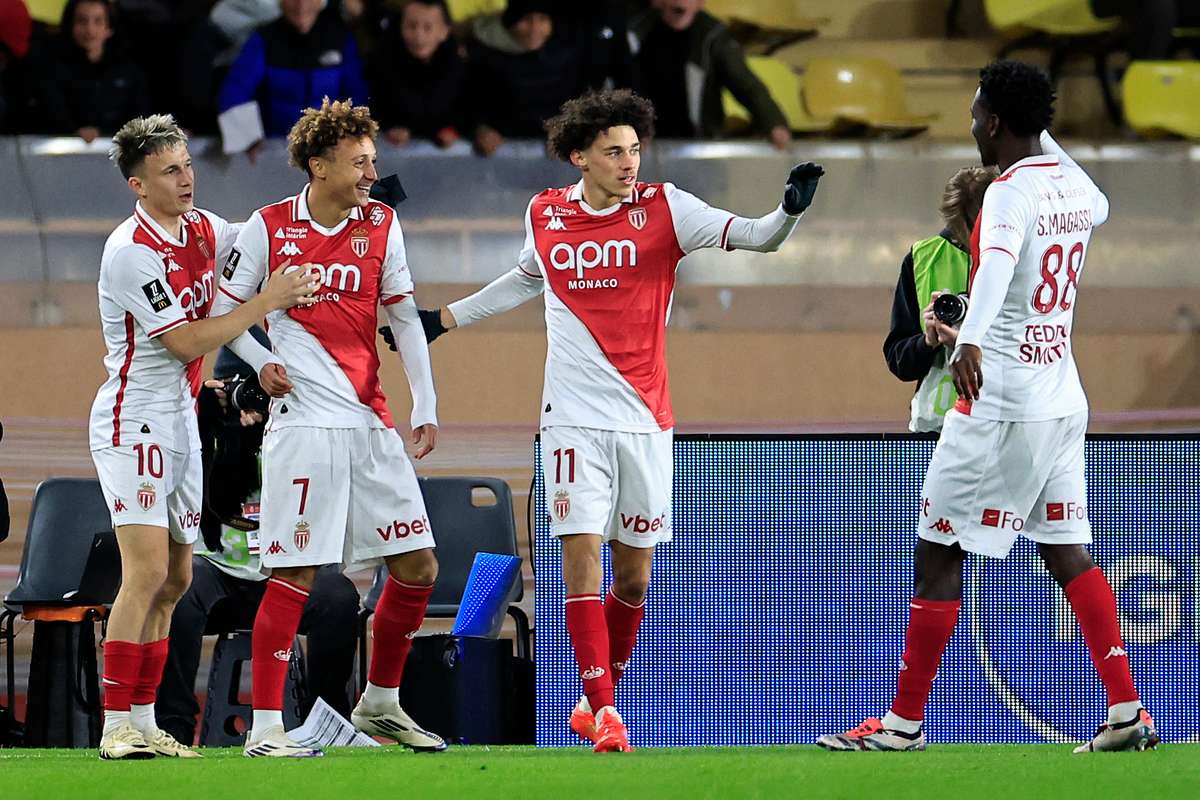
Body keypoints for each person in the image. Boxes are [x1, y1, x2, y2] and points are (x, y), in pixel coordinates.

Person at [418, 88, 823, 752]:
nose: (628, 162)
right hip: (572, 418)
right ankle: (607, 713)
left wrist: (788, 211)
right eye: (613, 152)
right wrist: (445, 319)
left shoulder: (668, 209)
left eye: (634, 149)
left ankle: (591, 701)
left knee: (633, 577)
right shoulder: (544, 212)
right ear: (580, 156)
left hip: (645, 420)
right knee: (580, 559)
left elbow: (756, 238)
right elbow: (526, 277)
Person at [817, 60, 1157, 754]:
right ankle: (1126, 713)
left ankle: (902, 726)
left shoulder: (1006, 194)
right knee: (1068, 551)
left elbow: (995, 267)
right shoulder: (1071, 187)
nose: (971, 124)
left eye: (975, 114)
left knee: (936, 550)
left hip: (1000, 401)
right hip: (1062, 396)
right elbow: (1102, 209)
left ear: (994, 123)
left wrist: (968, 341)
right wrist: (1044, 136)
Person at [211, 97, 444, 758]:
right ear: (318, 164)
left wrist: (424, 401)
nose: (371, 171)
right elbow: (227, 312)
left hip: (370, 424)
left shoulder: (382, 224)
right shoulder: (268, 227)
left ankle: (381, 704)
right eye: (358, 160)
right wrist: (262, 361)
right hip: (306, 425)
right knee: (298, 575)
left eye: (373, 159)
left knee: (419, 565)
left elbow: (402, 317)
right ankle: (264, 731)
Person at [88, 114, 318, 760]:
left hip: (181, 421)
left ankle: (144, 719)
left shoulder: (202, 230)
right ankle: (113, 727)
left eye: (187, 165)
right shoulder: (130, 251)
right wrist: (266, 304)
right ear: (138, 184)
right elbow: (188, 339)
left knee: (177, 578)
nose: (186, 178)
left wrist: (330, 199)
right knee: (147, 572)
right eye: (170, 171)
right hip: (133, 421)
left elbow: (263, 236)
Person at [154, 341, 361, 747]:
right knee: (177, 591)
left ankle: (327, 722)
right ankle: (173, 726)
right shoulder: (196, 430)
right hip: (217, 571)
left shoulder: (302, 430)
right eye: (238, 389)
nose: (249, 402)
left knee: (338, 597)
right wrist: (209, 421)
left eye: (260, 391)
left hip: (287, 572)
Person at [884, 166, 996, 433]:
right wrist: (927, 342)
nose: (973, 237)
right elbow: (898, 359)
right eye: (963, 227)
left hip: (1002, 422)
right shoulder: (922, 258)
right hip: (935, 427)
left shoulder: (1023, 258)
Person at [628, 0, 789, 149]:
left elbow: (745, 85)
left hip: (701, 142)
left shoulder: (713, 36)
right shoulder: (636, 33)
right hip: (648, 145)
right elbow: (622, 89)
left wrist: (773, 123)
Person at [217, 0, 368, 155]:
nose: (301, 6)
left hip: (330, 147)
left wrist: (350, 134)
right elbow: (235, 90)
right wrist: (247, 137)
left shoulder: (339, 38)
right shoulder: (264, 39)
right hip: (276, 150)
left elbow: (357, 92)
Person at [463, 0, 585, 156]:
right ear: (511, 21)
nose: (534, 28)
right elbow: (466, 102)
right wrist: (479, 129)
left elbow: (578, 99)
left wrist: (566, 129)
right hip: (497, 157)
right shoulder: (483, 55)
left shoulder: (565, 53)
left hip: (547, 160)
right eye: (526, 19)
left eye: (542, 19)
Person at [29, 0, 150, 141]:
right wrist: (74, 131)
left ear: (109, 28)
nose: (90, 30)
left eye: (98, 21)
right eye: (82, 21)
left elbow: (141, 118)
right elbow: (51, 114)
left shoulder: (129, 72)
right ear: (71, 25)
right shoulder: (51, 69)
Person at [368, 0, 467, 148]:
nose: (418, 35)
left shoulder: (458, 65)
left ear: (444, 31)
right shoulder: (383, 60)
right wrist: (390, 127)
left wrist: (454, 129)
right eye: (411, 26)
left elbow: (465, 111)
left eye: (428, 28)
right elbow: (377, 107)